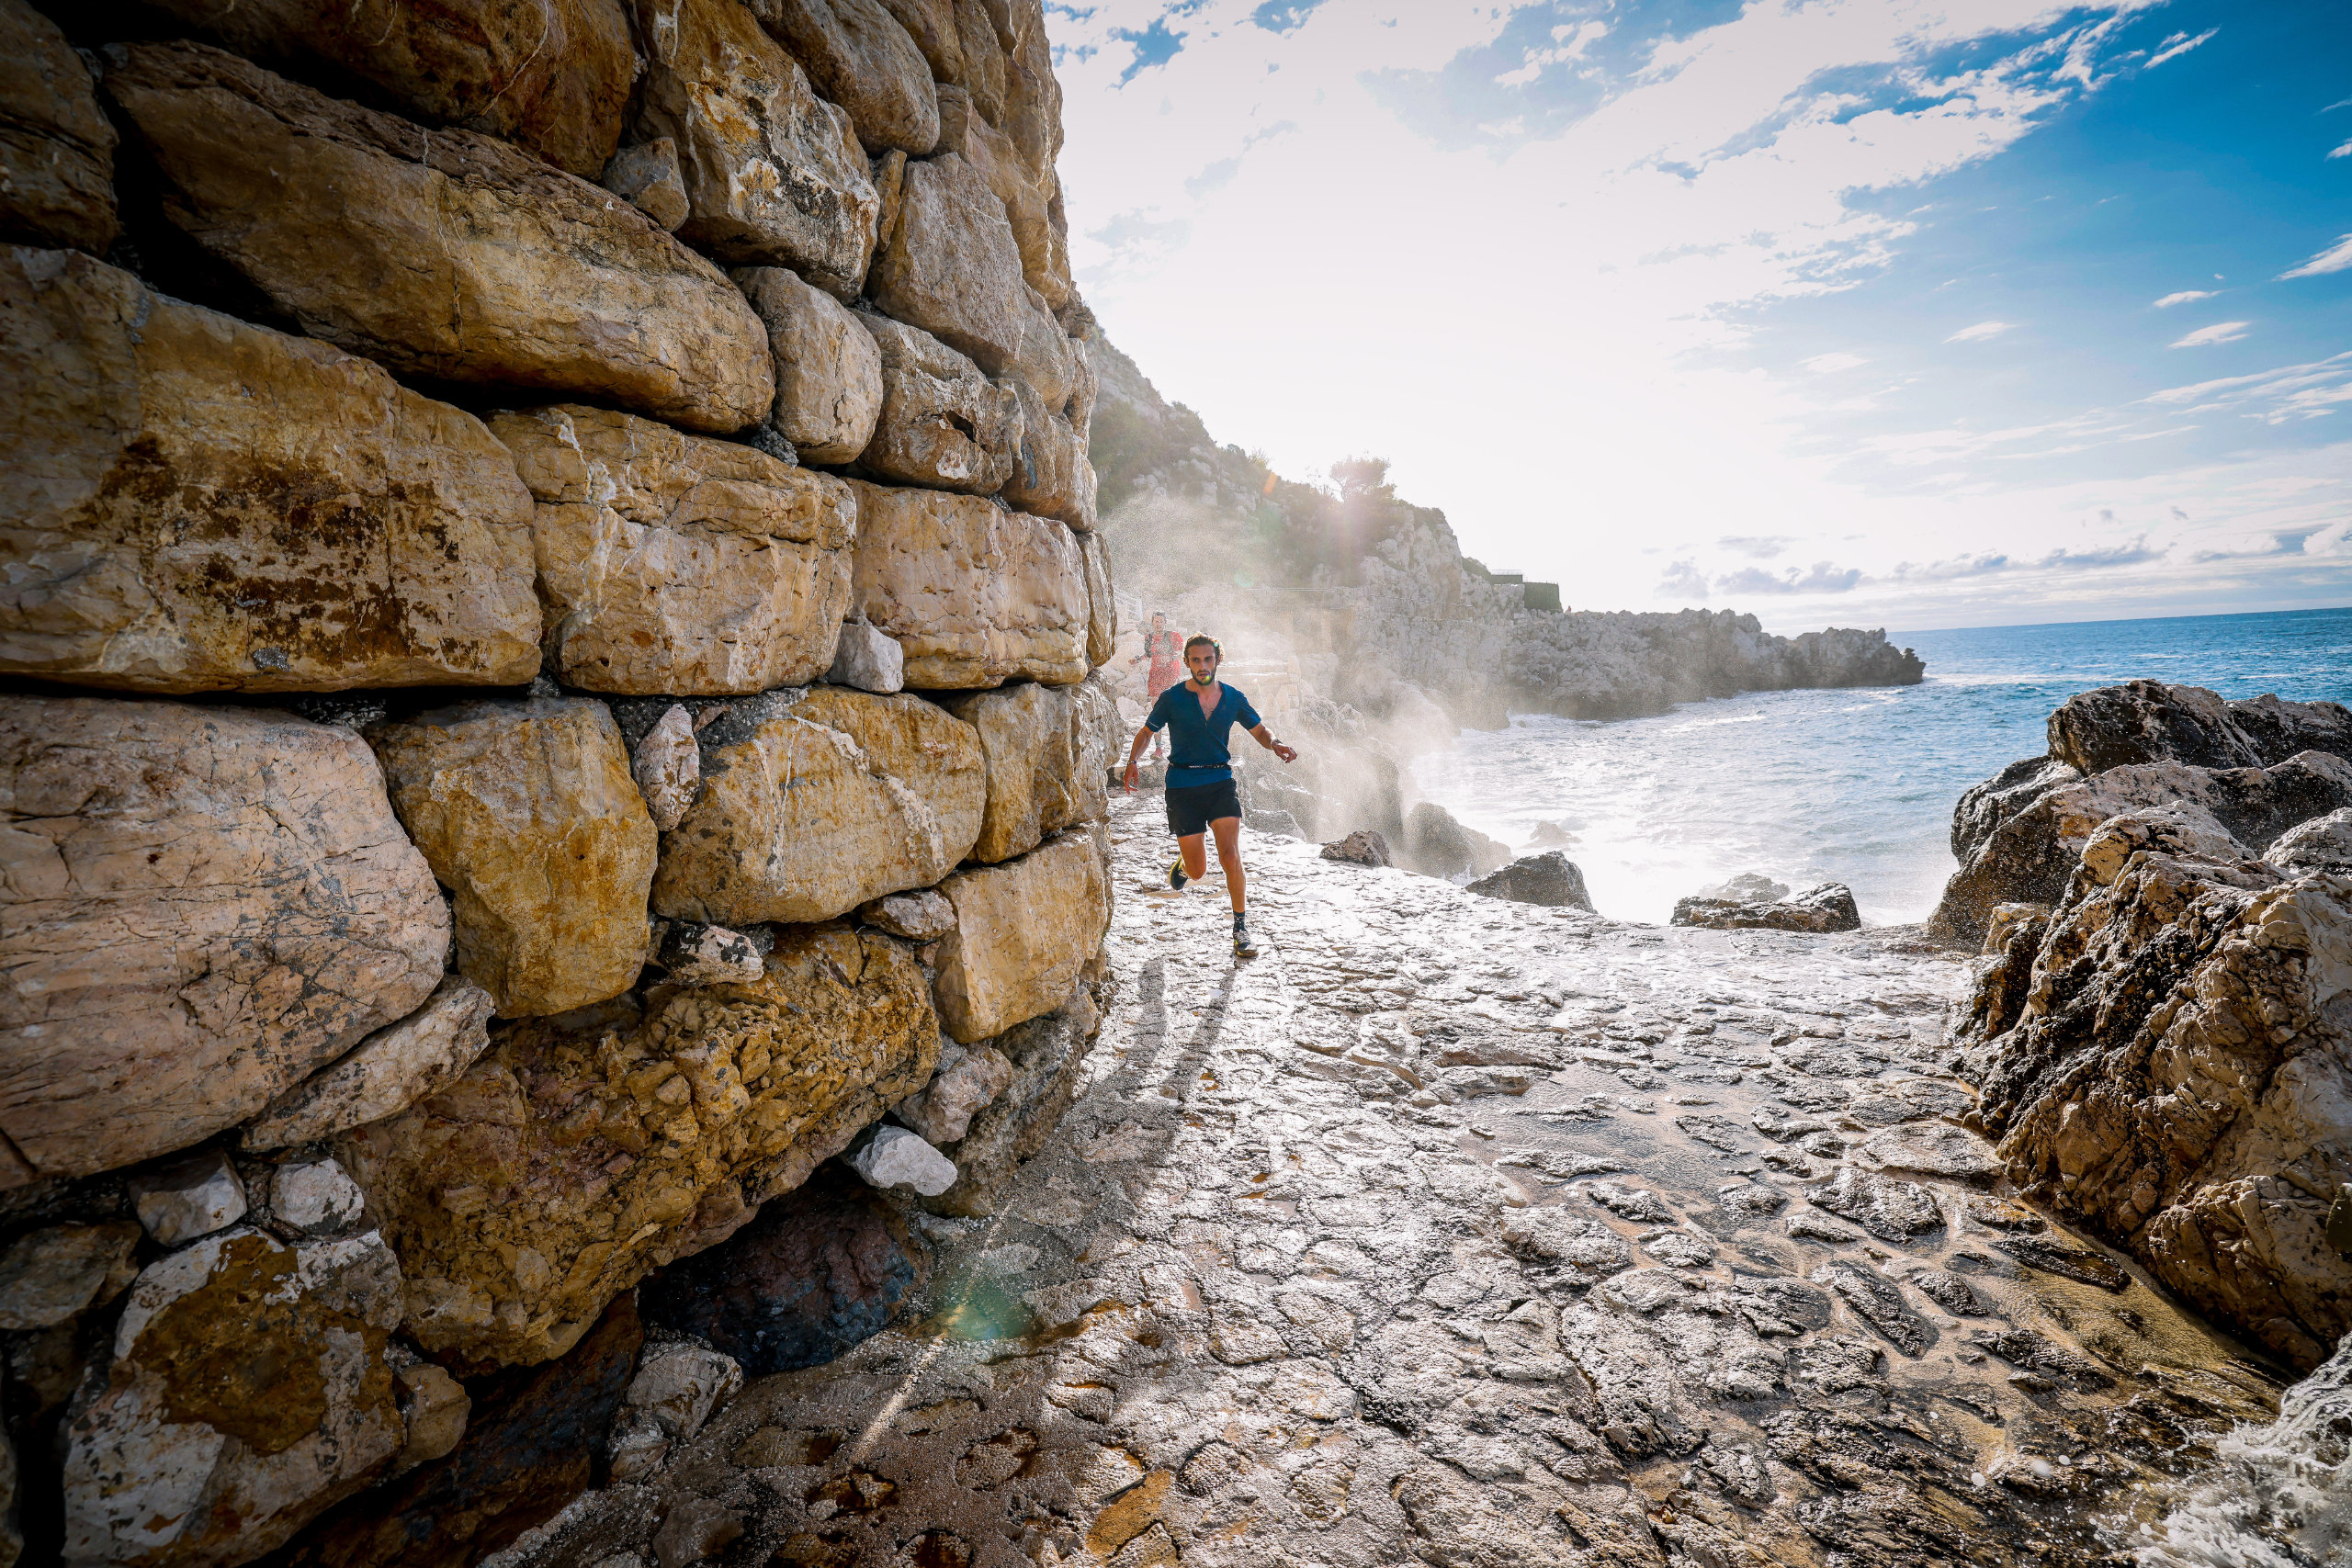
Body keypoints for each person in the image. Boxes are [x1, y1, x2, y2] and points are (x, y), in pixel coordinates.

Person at [1122, 634, 1298, 957]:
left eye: (1209, 659)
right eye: (1196, 660)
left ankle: (1241, 929)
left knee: (1230, 855)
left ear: (1218, 660)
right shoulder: (1172, 697)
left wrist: (1275, 744)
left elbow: (1259, 730)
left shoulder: (1233, 697)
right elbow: (1147, 732)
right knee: (1199, 870)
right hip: (1182, 786)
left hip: (1219, 780)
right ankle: (1185, 864)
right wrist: (1133, 761)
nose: (1203, 666)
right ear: (1187, 662)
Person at [1127, 611, 1183, 761]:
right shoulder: (1149, 638)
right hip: (1155, 677)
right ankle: (1158, 748)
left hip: (1170, 675)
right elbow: (1148, 654)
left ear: (1165, 622)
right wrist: (1137, 659)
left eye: (1161, 621)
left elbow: (1181, 652)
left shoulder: (1173, 636)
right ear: (1152, 623)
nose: (1158, 624)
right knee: (1156, 710)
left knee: (1173, 711)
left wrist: (1170, 657)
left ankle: (1177, 746)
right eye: (1156, 621)